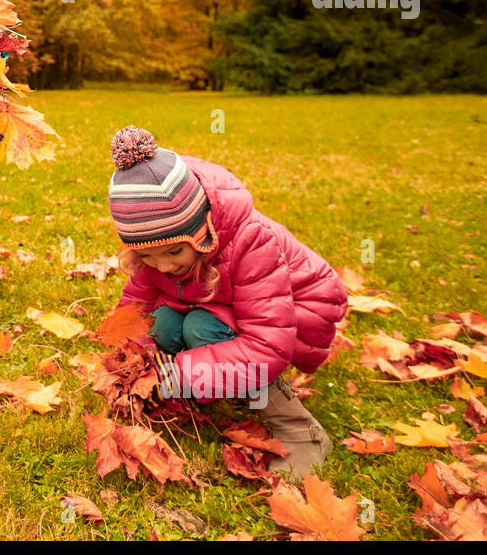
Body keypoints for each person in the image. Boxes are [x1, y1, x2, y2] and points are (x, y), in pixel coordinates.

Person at [107, 125, 348, 480]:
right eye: (148, 256)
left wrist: (180, 374)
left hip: (296, 312)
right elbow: (135, 310)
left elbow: (268, 343)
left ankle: (301, 432)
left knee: (202, 327)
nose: (164, 266)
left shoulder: (252, 242)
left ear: (203, 228)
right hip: (225, 305)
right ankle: (193, 395)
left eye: (175, 251)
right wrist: (131, 360)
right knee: (163, 323)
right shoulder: (156, 254)